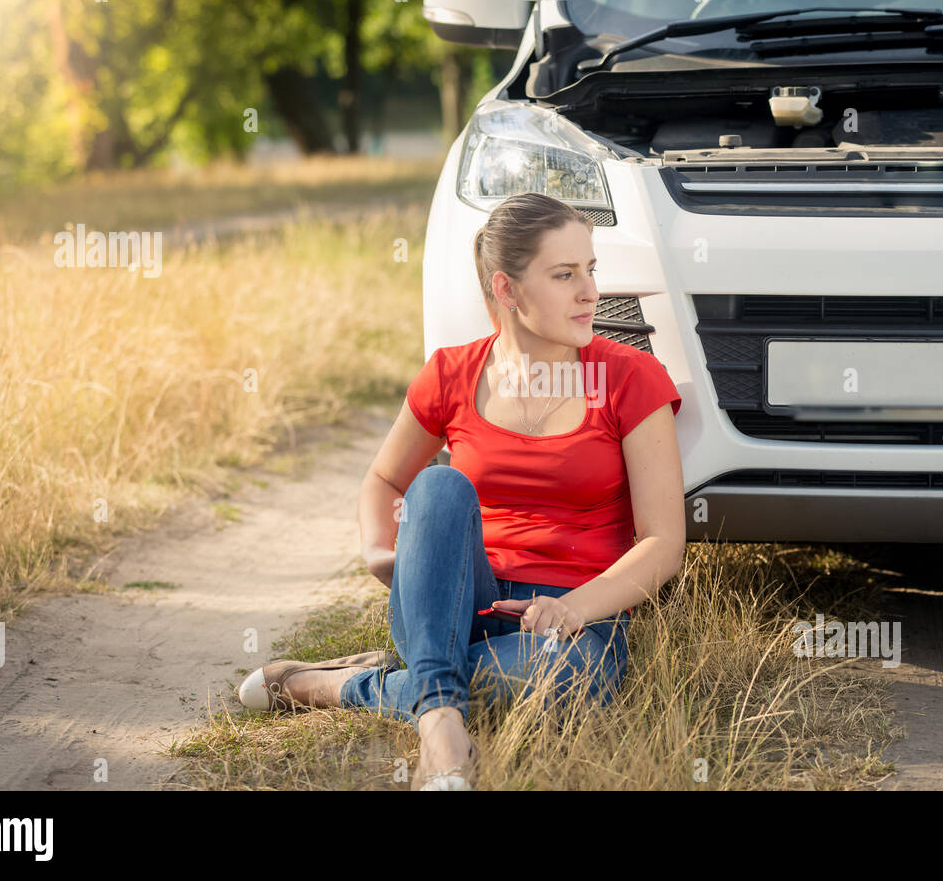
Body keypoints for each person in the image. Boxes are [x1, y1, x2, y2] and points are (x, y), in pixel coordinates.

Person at [238, 192, 686, 790]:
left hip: (569, 623)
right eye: (564, 275)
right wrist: (381, 553)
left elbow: (663, 542)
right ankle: (444, 722)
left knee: (562, 680)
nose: (590, 293)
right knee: (440, 484)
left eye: (591, 269)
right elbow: (385, 480)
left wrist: (573, 608)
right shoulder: (451, 373)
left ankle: (347, 685)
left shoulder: (631, 378)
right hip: (453, 602)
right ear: (507, 289)